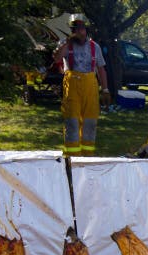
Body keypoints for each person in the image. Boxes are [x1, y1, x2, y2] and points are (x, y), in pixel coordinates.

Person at [52, 14, 110, 156]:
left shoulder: (94, 47)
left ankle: (88, 156)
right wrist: (67, 41)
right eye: (75, 29)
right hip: (72, 87)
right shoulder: (65, 44)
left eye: (81, 29)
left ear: (86, 30)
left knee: (90, 121)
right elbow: (57, 58)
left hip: (90, 86)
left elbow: (101, 69)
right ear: (71, 31)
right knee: (72, 121)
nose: (79, 32)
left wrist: (106, 89)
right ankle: (72, 157)